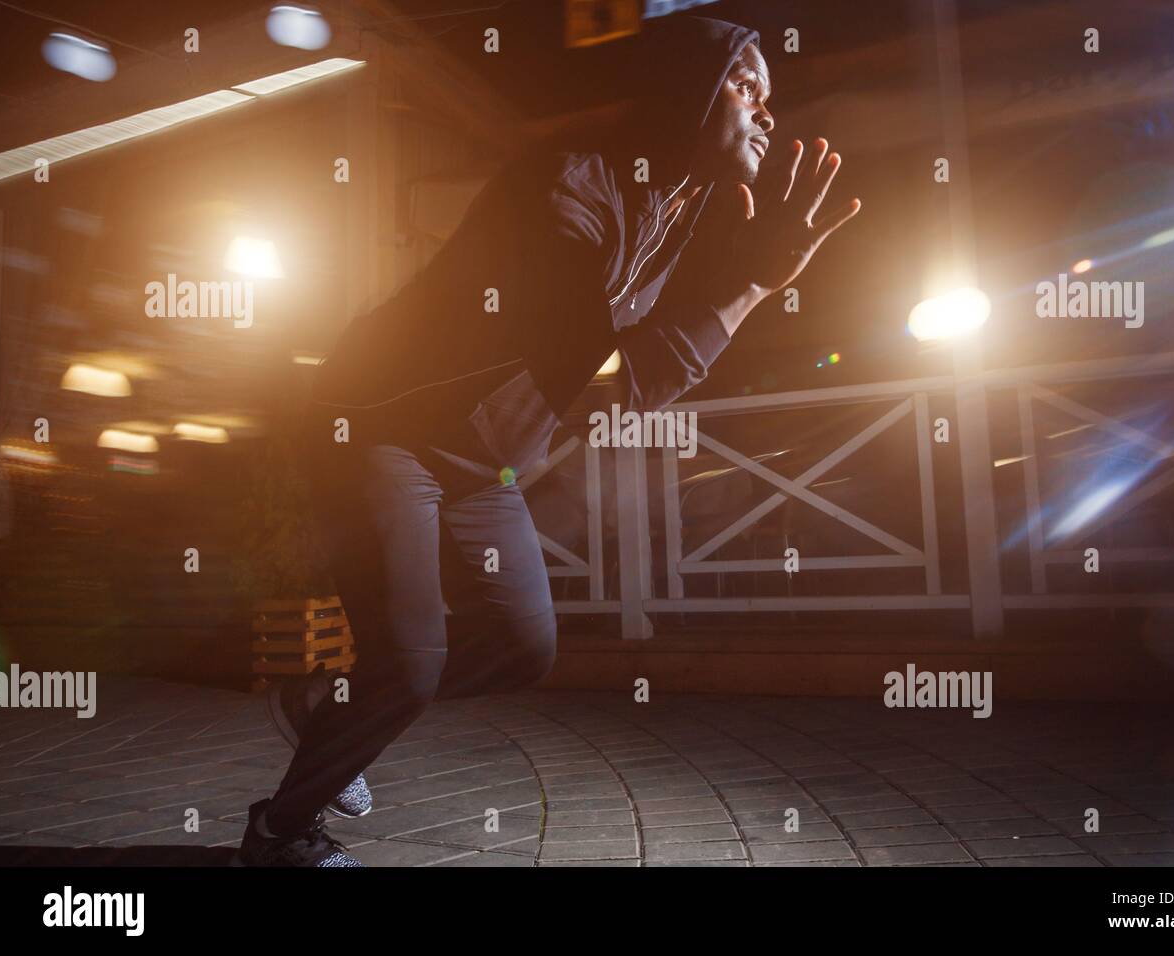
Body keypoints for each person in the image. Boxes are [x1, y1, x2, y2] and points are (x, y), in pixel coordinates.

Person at [235, 15, 859, 867]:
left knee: (524, 646)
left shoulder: (672, 204)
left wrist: (749, 270)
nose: (766, 112)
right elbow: (608, 381)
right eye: (747, 85)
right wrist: (755, 282)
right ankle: (279, 834)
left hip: (481, 461)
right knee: (412, 663)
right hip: (381, 433)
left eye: (770, 96)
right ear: (690, 91)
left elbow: (613, 371)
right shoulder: (568, 189)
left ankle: (328, 704)